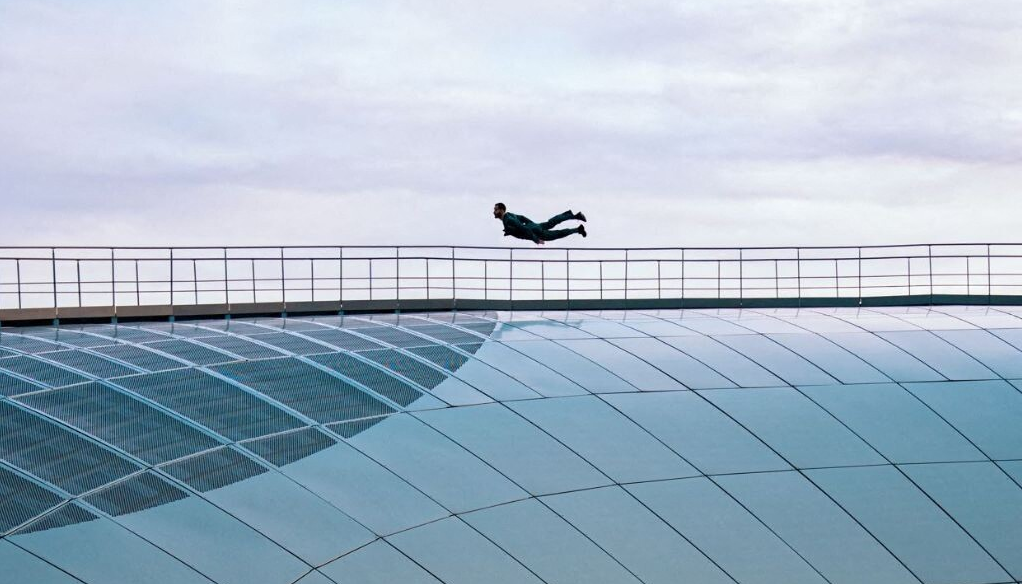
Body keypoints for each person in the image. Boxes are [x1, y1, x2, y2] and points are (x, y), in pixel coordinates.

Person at [493, 203, 587, 244]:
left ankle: (578, 229)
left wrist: (536, 239)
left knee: (558, 234)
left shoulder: (508, 220)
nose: (494, 212)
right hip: (534, 227)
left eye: (496, 210)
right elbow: (522, 217)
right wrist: (533, 224)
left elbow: (523, 229)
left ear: (501, 210)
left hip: (535, 232)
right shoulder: (509, 215)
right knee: (551, 222)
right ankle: (573, 216)